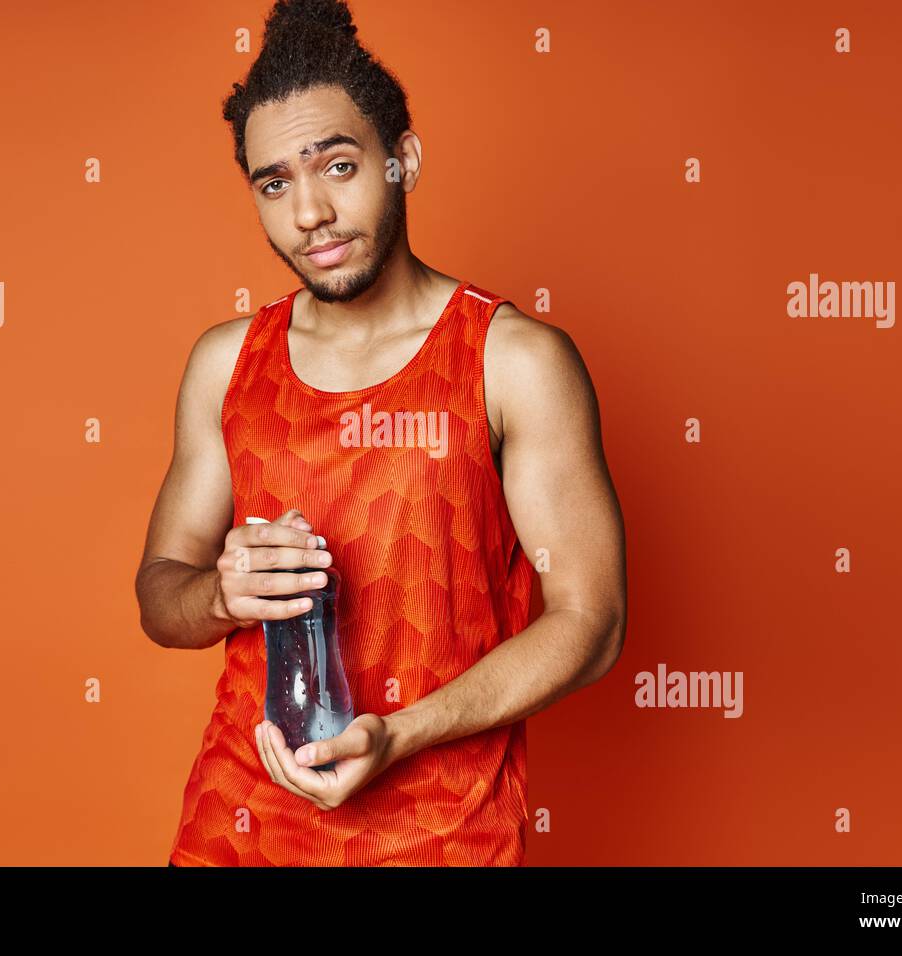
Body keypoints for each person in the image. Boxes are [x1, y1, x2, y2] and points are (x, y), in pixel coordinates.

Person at [136, 0, 626, 866]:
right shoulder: (225, 363)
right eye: (274, 184)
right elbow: (159, 596)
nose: (310, 212)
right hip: (239, 827)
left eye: (339, 165)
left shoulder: (513, 361)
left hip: (443, 833)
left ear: (404, 160)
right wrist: (219, 594)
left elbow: (592, 621)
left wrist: (400, 734)